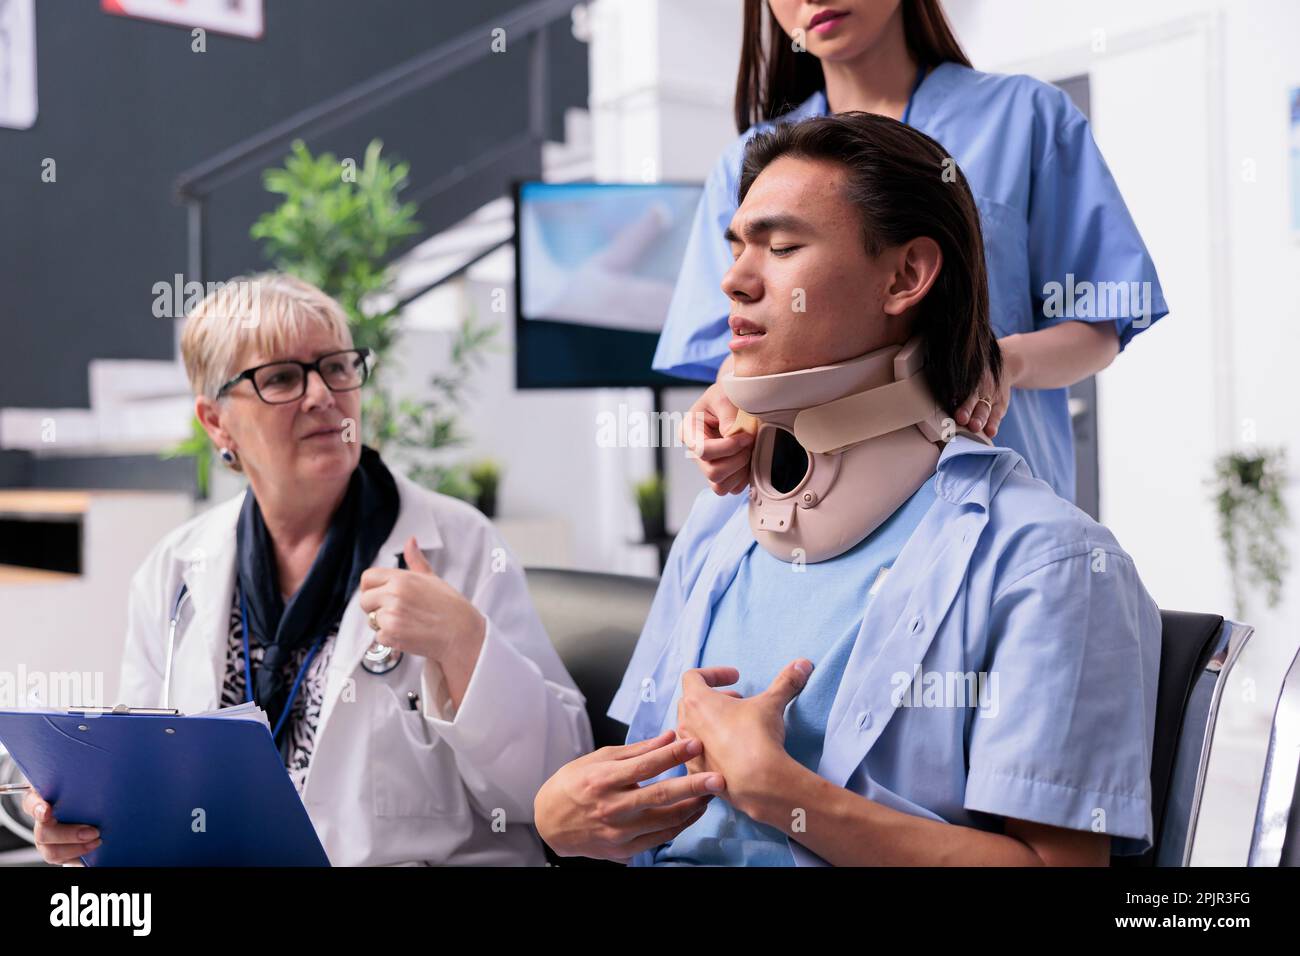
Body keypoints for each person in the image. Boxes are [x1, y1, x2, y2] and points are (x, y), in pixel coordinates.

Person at [534, 112, 1161, 865]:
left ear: (904, 276)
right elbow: (647, 790)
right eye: (735, 247)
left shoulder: (1047, 564)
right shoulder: (720, 522)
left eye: (784, 246)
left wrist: (786, 796)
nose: (732, 278)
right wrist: (564, 817)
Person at [23, 273, 592, 866]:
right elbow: (139, 774)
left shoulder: (462, 546)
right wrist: (76, 820)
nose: (323, 395)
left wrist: (463, 642)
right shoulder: (175, 569)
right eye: (282, 378)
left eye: (337, 368)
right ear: (216, 422)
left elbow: (559, 789)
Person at [668, 0, 1167, 505]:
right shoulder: (748, 163)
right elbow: (736, 358)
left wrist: (1002, 361)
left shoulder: (1026, 118)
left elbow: (1100, 321)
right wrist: (725, 408)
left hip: (989, 497)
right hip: (809, 511)